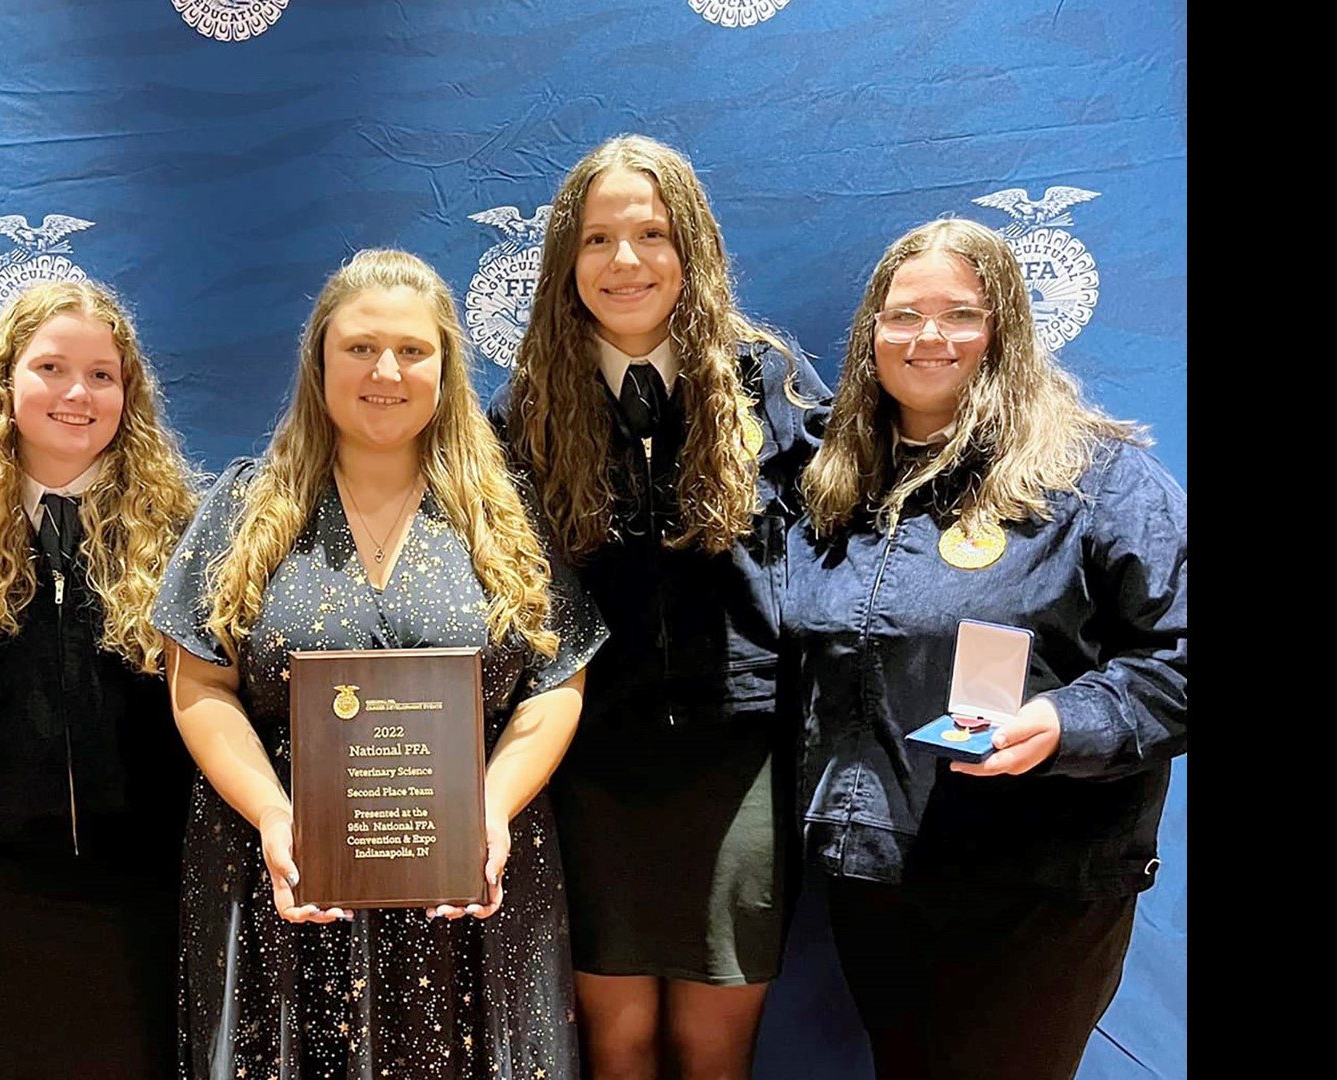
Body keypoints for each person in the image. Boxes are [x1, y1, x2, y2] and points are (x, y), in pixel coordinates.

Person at [151, 248, 607, 1077]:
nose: (385, 370)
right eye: (359, 347)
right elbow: (201, 685)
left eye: (412, 349)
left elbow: (556, 684)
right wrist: (274, 818)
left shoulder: (508, 514)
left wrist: (491, 812)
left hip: (473, 885)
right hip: (285, 890)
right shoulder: (247, 508)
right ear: (320, 360)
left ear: (446, 366)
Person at [786, 217, 1187, 1080]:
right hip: (880, 876)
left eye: (961, 313)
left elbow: (1179, 658)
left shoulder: (1095, 476)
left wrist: (1063, 720)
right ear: (870, 336)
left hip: (1038, 883)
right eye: (902, 315)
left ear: (1005, 329)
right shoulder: (833, 481)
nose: (929, 337)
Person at [491, 133, 828, 1080]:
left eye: (651, 233)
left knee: (716, 1044)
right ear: (566, 260)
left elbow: (855, 539)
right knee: (619, 1040)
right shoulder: (525, 411)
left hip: (741, 763)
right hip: (589, 767)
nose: (625, 261)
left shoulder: (771, 384)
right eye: (598, 240)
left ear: (694, 250)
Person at [0, 279, 200, 1077]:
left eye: (103, 374)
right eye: (51, 368)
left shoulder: (181, 530)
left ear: (129, 393)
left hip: (146, 883)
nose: (78, 393)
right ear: (4, 383)